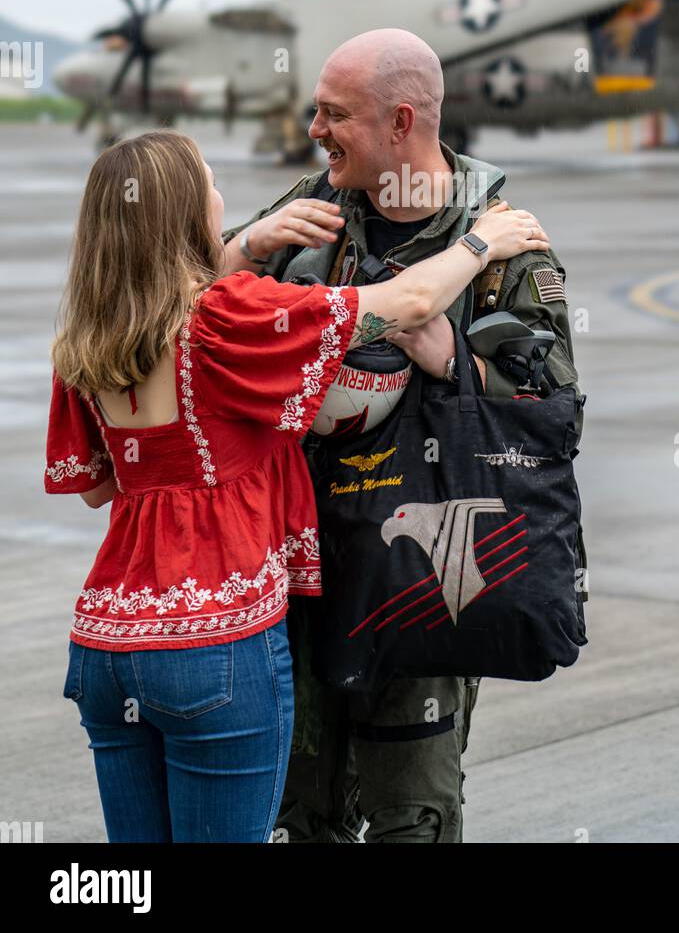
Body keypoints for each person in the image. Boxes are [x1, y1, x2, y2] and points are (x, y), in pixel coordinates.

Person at [45, 128, 549, 843]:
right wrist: (478, 244)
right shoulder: (230, 317)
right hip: (215, 641)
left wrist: (249, 246)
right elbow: (401, 305)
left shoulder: (91, 336)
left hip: (105, 645)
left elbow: (100, 488)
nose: (223, 197)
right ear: (187, 208)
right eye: (210, 183)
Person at [222, 28, 582, 843]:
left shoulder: (504, 245)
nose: (314, 128)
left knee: (408, 815)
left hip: (424, 570)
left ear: (402, 121)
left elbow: (554, 406)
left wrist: (453, 356)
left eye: (334, 113)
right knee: (293, 812)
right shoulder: (308, 216)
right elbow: (189, 299)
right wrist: (245, 247)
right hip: (302, 566)